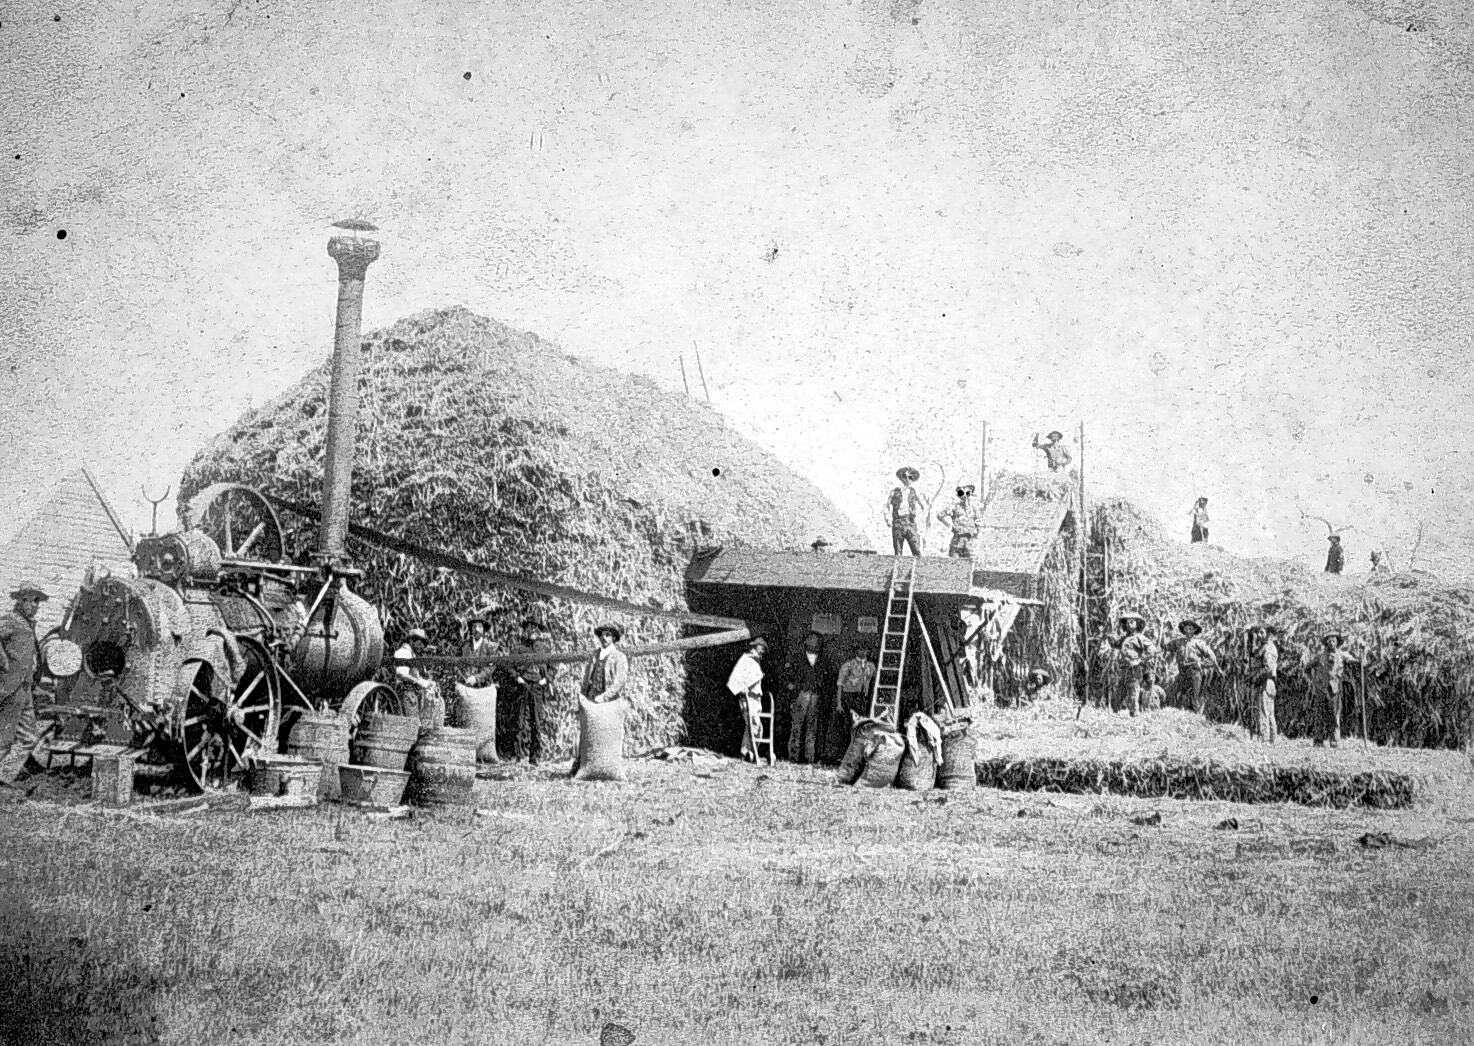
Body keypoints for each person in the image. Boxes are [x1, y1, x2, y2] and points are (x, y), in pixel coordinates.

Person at [0, 583, 48, 789]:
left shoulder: (27, 624)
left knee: (29, 736)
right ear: (20, 601)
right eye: (30, 600)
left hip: (25, 688)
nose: (34, 605)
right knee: (4, 738)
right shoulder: (10, 621)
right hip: (11, 686)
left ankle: (3, 776)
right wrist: (2, 660)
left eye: (37, 601)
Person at [504, 618, 555, 766]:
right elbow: (509, 666)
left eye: (535, 628)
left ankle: (535, 758)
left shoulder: (544, 648)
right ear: (525, 630)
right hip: (522, 686)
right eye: (529, 628)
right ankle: (517, 756)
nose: (532, 631)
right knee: (519, 721)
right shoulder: (518, 648)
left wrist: (545, 680)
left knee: (536, 722)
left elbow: (553, 667)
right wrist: (517, 677)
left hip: (537, 687)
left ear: (539, 631)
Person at [783, 632, 830, 764]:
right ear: (806, 642)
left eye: (817, 640)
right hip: (801, 694)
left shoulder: (822, 660)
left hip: (815, 695)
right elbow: (789, 676)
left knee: (812, 728)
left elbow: (826, 680)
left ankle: (810, 757)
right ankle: (793, 756)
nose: (814, 642)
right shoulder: (797, 658)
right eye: (811, 639)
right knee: (796, 726)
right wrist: (793, 691)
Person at [726, 637, 770, 764]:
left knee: (756, 727)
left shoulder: (756, 661)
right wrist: (742, 689)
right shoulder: (746, 659)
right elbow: (737, 678)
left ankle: (749, 752)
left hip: (756, 698)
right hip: (748, 698)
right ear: (756, 647)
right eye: (761, 647)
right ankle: (746, 752)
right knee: (754, 725)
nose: (763, 651)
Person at [1309, 633, 1357, 747]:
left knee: (1334, 715)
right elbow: (1308, 666)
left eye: (1333, 641)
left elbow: (1353, 661)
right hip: (1321, 689)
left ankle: (1334, 741)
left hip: (1334, 690)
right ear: (1326, 643)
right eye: (1329, 641)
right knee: (1319, 715)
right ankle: (1318, 741)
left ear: (1337, 643)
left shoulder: (1341, 655)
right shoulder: (1320, 656)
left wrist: (1358, 660)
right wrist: (1315, 680)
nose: (1331, 643)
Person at [394, 627, 443, 727]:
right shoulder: (404, 653)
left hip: (412, 694)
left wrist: (427, 683)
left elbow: (415, 676)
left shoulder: (411, 655)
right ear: (412, 641)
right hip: (406, 693)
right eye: (420, 643)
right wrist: (419, 683)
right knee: (412, 725)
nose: (421, 647)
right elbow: (402, 674)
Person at [1170, 619, 1221, 715]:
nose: (1188, 631)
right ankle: (1184, 714)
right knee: (1181, 694)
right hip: (1182, 672)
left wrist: (1203, 664)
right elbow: (1166, 647)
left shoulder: (1199, 643)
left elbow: (1212, 656)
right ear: (1183, 630)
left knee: (1195, 694)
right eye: (1186, 628)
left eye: (1191, 629)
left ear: (1194, 630)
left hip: (1195, 671)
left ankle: (1197, 716)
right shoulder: (1178, 642)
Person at [1115, 612, 1155, 717]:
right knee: (1125, 687)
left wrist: (1141, 660)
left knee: (1133, 687)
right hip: (1124, 667)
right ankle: (1124, 709)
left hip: (1135, 666)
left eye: (1132, 622)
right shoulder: (1124, 639)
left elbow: (1151, 649)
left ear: (1137, 624)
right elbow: (1115, 644)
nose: (1129, 624)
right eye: (1127, 623)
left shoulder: (1140, 638)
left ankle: (1134, 712)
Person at [885, 467, 925, 556]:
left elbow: (924, 506)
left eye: (910, 477)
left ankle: (919, 568)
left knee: (916, 549)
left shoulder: (914, 492)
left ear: (913, 479)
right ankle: (897, 569)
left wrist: (920, 519)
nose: (907, 479)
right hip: (898, 523)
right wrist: (888, 518)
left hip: (910, 522)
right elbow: (886, 505)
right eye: (904, 476)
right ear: (901, 477)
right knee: (898, 551)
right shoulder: (894, 491)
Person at [1249, 625, 1279, 742]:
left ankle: (1264, 739)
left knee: (1264, 711)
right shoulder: (1263, 647)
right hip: (1267, 681)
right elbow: (1254, 654)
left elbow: (1268, 668)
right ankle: (1272, 739)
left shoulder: (1268, 648)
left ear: (1268, 633)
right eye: (1258, 633)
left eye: (1262, 632)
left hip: (1266, 681)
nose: (1259, 635)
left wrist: (1256, 677)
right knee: (1269, 711)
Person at [937, 485, 981, 559]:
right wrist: (949, 525)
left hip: (969, 542)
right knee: (954, 563)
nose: (965, 497)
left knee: (970, 564)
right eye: (961, 494)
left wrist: (976, 532)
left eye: (967, 494)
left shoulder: (974, 509)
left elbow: (978, 522)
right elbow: (940, 515)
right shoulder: (955, 507)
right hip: (957, 541)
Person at [459, 614, 494, 685]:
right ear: (472, 629)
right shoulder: (466, 645)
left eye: (480, 627)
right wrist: (466, 676)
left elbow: (491, 666)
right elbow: (462, 663)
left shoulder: (488, 646)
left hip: (483, 685)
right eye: (474, 626)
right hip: (467, 683)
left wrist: (477, 678)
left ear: (483, 630)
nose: (477, 629)